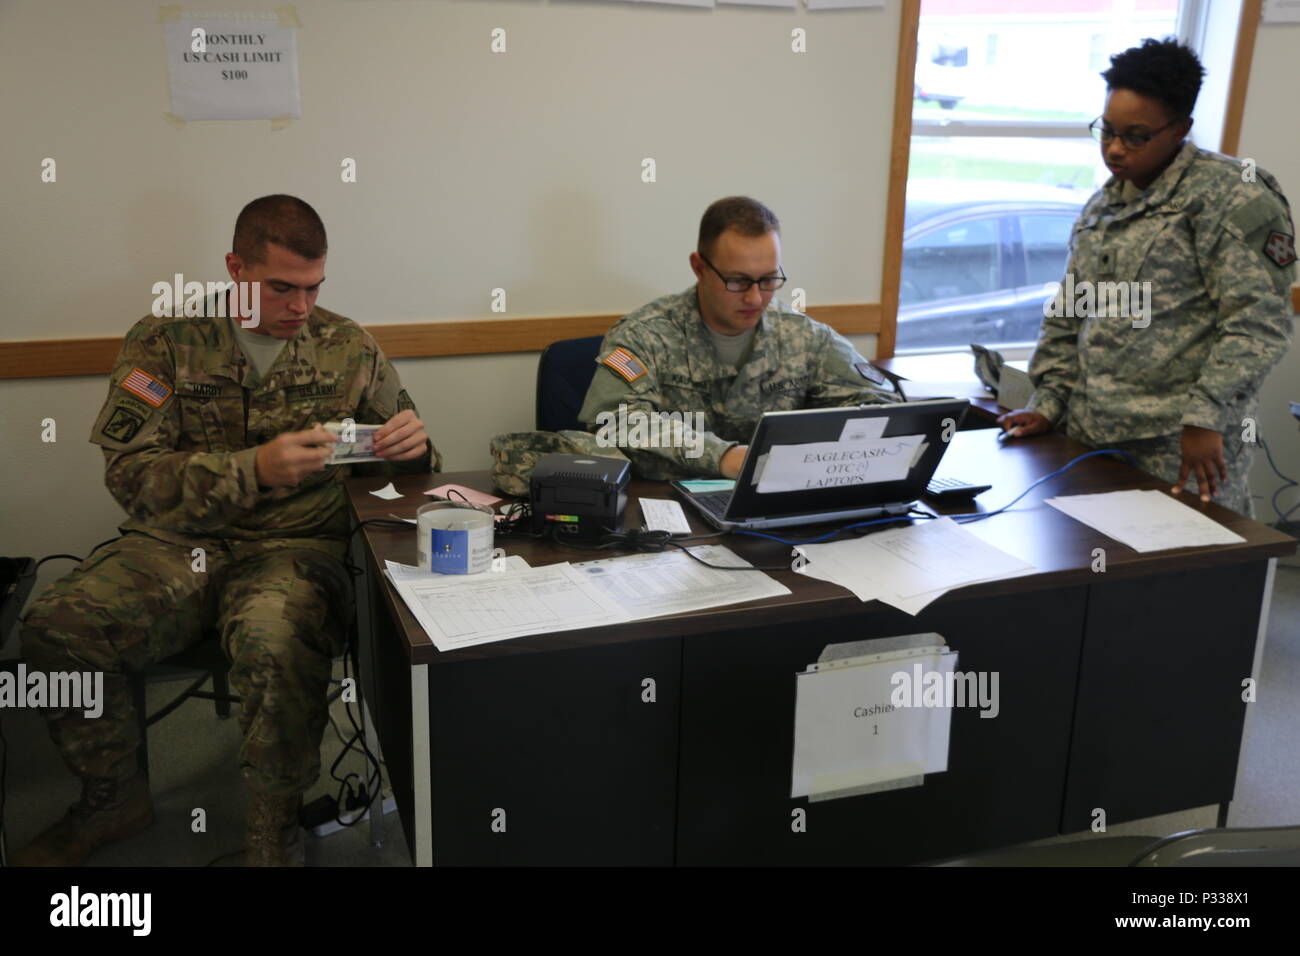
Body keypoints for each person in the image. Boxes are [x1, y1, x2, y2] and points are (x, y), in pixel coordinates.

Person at [16, 195, 439, 866]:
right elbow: (130, 475)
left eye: (313, 287)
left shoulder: (347, 344)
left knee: (276, 640)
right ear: (235, 267)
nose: (300, 306)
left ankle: (274, 835)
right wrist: (251, 470)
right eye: (281, 287)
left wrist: (411, 448)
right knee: (58, 628)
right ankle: (113, 798)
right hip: (177, 544)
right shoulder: (166, 340)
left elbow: (413, 464)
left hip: (296, 550)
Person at [999, 39, 1295, 516]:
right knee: (1088, 578)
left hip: (1178, 445)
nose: (1115, 148)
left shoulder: (1231, 198)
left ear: (1180, 128)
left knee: (1184, 581)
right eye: (1107, 130)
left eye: (1136, 136)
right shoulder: (1104, 205)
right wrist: (1047, 402)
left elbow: (1258, 324)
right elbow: (1071, 312)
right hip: (1090, 437)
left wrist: (1205, 419)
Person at [577, 196, 897, 479]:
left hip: (777, 502)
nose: (756, 298)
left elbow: (880, 408)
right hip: (669, 513)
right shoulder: (644, 336)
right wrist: (724, 458)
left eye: (769, 279)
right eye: (738, 281)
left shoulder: (804, 337)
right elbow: (614, 423)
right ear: (699, 267)